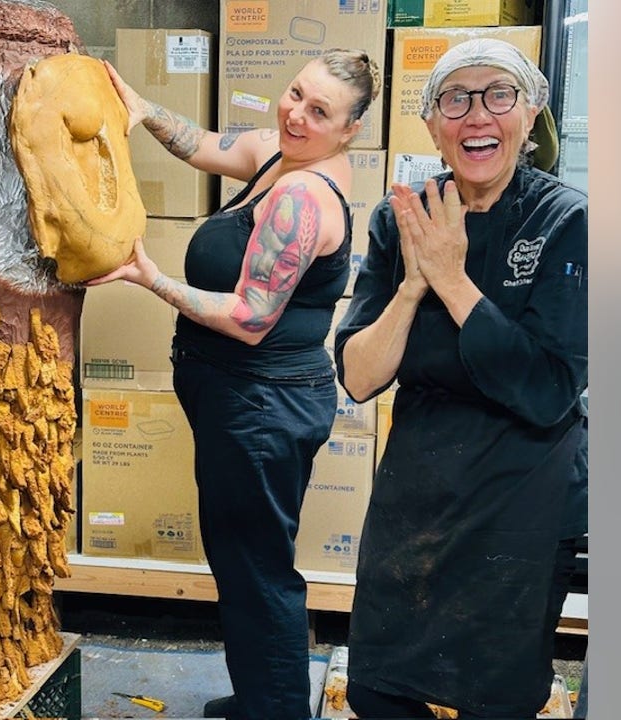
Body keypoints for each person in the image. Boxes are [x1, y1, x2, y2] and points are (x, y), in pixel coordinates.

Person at [90, 49, 382, 720]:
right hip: (241, 400)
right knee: (243, 560)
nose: (296, 114)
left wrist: (150, 279)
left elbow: (250, 319)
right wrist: (141, 107)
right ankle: (262, 695)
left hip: (261, 406)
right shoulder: (282, 154)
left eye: (319, 111)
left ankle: (276, 709)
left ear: (350, 129)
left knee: (257, 571)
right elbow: (208, 145)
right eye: (295, 94)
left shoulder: (304, 197)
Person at [334, 38, 587, 719]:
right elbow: (358, 376)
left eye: (498, 95)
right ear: (433, 124)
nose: (478, 115)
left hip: (522, 501)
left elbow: (548, 389)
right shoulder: (404, 218)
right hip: (421, 494)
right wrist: (414, 284)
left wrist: (451, 278)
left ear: (529, 113)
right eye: (456, 99)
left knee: (495, 700)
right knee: (377, 691)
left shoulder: (568, 222)